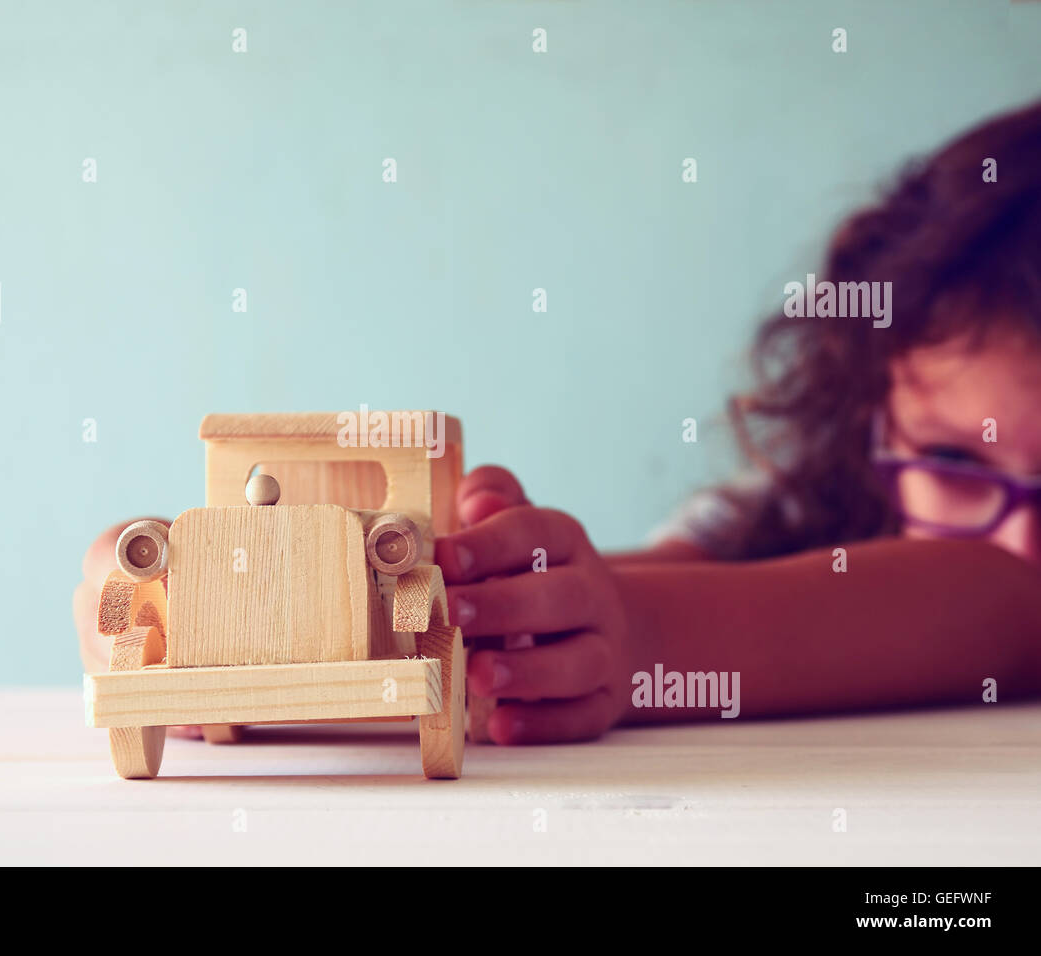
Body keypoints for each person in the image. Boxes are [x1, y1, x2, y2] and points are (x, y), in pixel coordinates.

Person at [75, 99, 1041, 744]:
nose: (1025, 533)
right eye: (957, 461)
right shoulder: (794, 514)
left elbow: (1007, 601)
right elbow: (632, 595)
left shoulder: (1001, 575)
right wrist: (517, 607)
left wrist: (646, 639)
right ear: (873, 422)